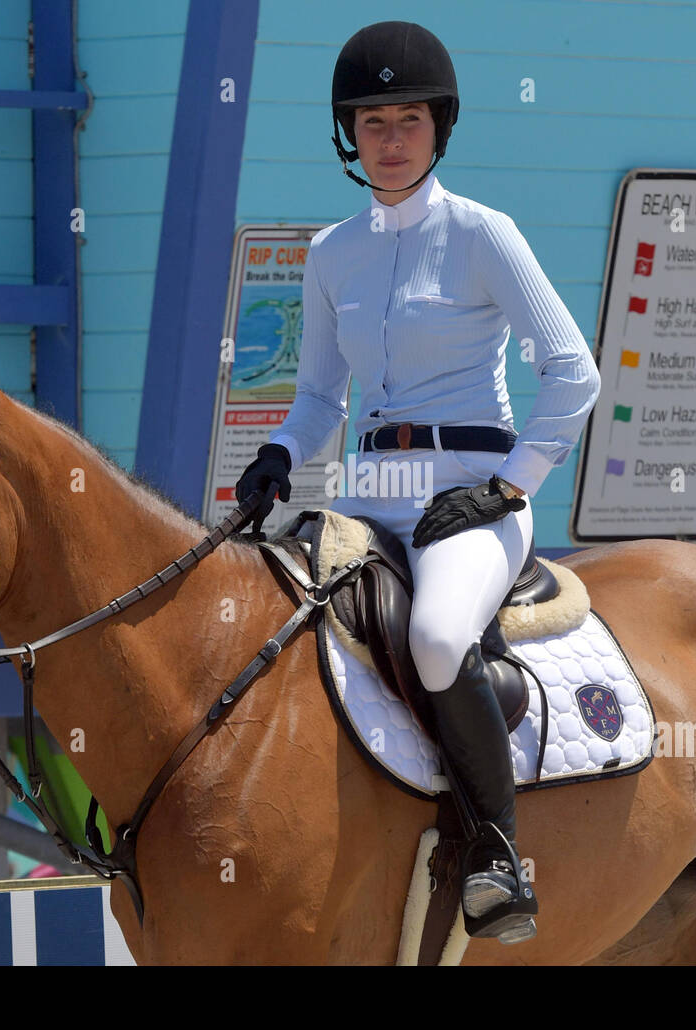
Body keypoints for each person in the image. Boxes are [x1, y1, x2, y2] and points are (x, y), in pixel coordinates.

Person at [235, 21, 599, 944]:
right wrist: (280, 450)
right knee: (263, 615)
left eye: (407, 120)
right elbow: (319, 394)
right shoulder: (331, 254)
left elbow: (574, 369)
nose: (389, 138)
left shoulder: (484, 234)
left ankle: (497, 854)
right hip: (365, 492)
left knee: (438, 636)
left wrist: (514, 485)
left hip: (469, 496)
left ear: (438, 128)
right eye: (371, 122)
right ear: (348, 136)